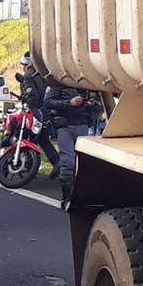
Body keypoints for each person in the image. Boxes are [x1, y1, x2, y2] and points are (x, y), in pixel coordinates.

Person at [44, 81, 101, 209]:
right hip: (65, 125)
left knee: (85, 163)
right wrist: (69, 103)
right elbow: (48, 102)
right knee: (68, 161)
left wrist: (92, 104)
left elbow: (101, 104)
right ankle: (66, 198)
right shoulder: (59, 83)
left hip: (84, 125)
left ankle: (81, 196)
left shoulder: (89, 84)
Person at [16, 53, 60, 179]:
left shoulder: (29, 75)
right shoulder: (45, 74)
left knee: (26, 133)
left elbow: (32, 95)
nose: (23, 68)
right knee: (43, 138)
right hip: (46, 111)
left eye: (23, 65)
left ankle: (30, 165)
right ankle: (56, 161)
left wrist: (30, 102)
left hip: (35, 111)